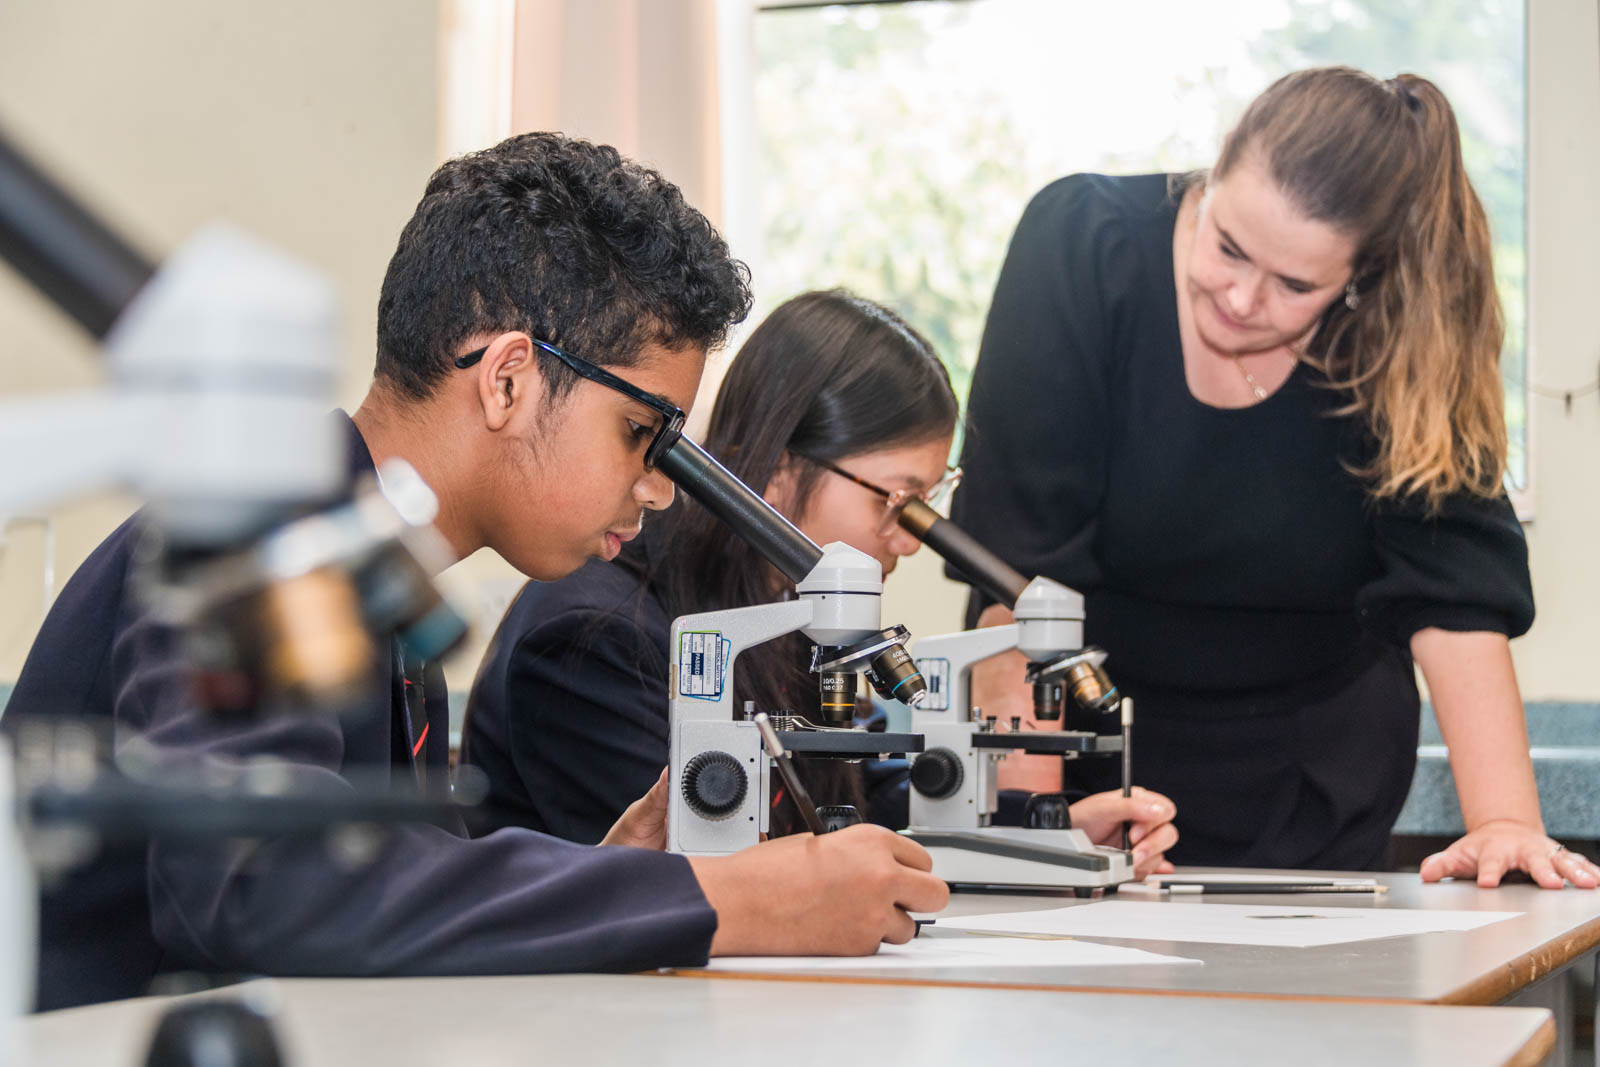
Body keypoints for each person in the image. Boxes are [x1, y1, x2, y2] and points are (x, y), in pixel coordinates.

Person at [1, 134, 948, 1012]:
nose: (659, 491)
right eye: (641, 433)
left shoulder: (372, 560)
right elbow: (258, 885)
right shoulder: (268, 527)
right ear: (507, 379)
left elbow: (390, 894)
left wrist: (616, 876)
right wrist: (718, 898)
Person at [949, 66, 1600, 889]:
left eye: (1295, 285)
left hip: (1316, 776)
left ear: (1362, 277)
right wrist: (1026, 843)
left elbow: (1456, 594)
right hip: (1092, 749)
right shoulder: (1081, 247)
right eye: (1228, 246)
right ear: (1218, 164)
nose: (1241, 298)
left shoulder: (1400, 329)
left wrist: (1506, 824)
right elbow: (1017, 586)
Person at [461, 288, 1179, 877]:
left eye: (928, 504)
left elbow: (860, 795)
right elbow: (707, 876)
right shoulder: (594, 639)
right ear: (776, 472)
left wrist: (1045, 835)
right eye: (895, 502)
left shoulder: (783, 616)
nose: (909, 541)